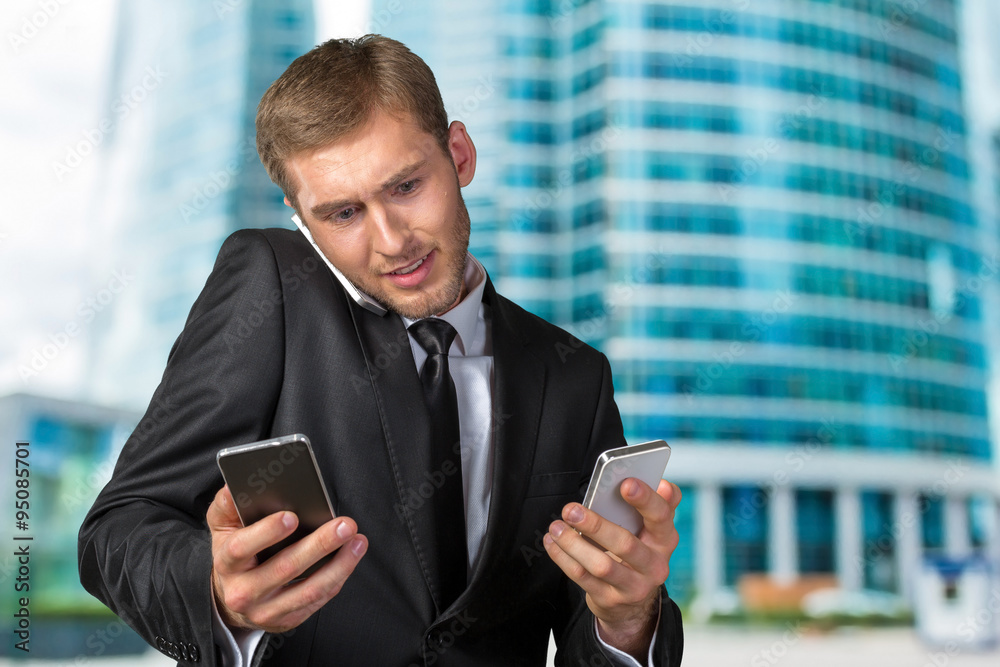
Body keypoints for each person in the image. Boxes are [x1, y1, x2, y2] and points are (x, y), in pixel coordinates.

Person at [79, 35, 684, 666]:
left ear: (459, 154)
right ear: (302, 220)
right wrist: (217, 592)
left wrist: (628, 617)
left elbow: (585, 627)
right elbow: (118, 527)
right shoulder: (272, 288)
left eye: (405, 187)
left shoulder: (574, 377)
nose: (391, 241)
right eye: (343, 214)